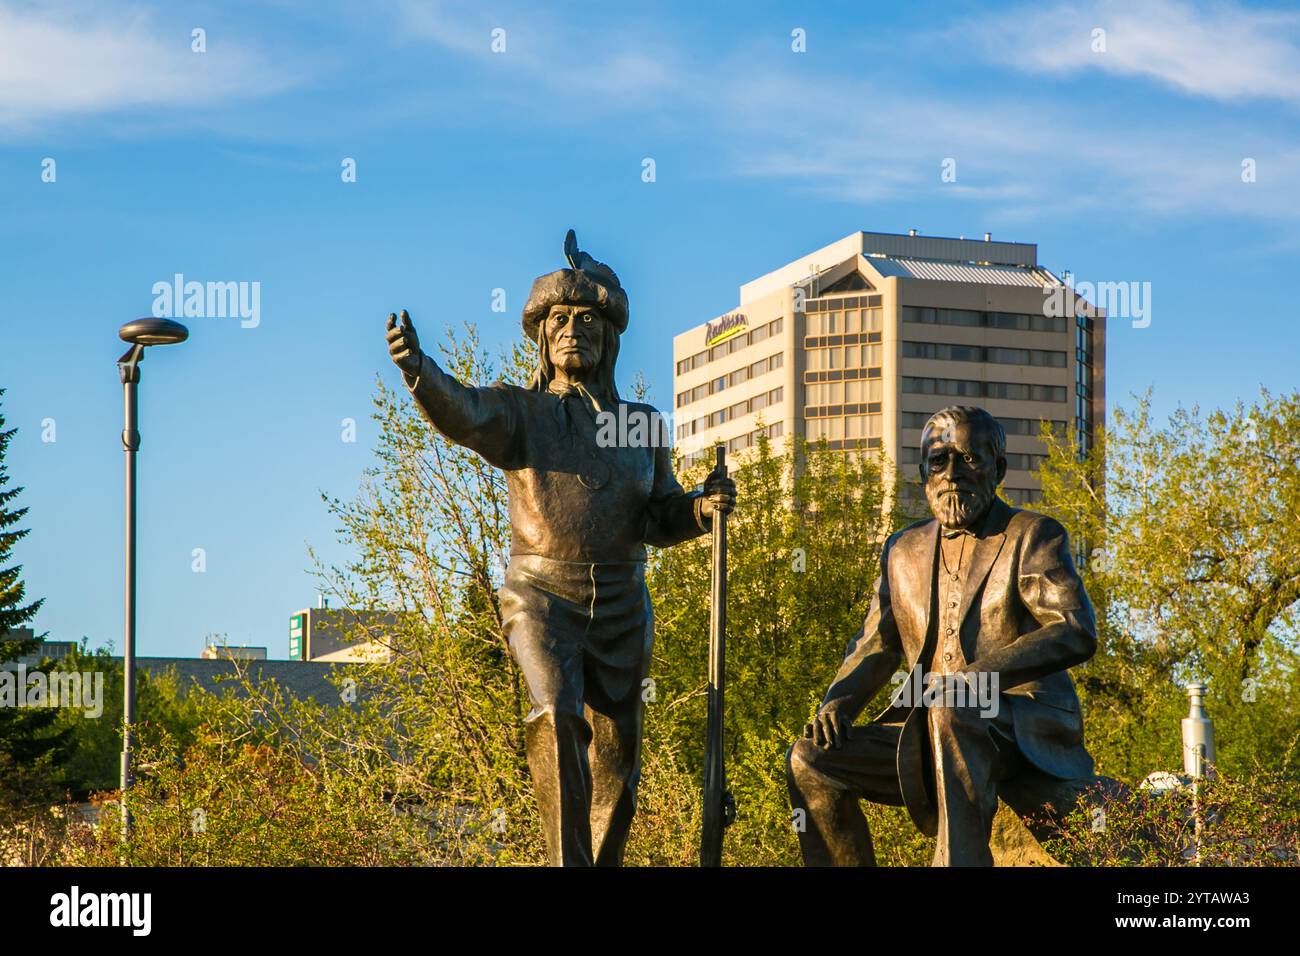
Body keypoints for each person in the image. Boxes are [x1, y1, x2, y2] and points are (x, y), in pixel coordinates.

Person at [386, 231, 735, 865]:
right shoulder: (523, 413)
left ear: (608, 338)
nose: (571, 329)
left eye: (585, 320)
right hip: (543, 595)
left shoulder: (642, 424)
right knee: (554, 715)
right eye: (558, 320)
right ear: (543, 338)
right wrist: (421, 372)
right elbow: (462, 410)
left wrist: (701, 511)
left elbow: (660, 514)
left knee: (618, 764)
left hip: (624, 603)